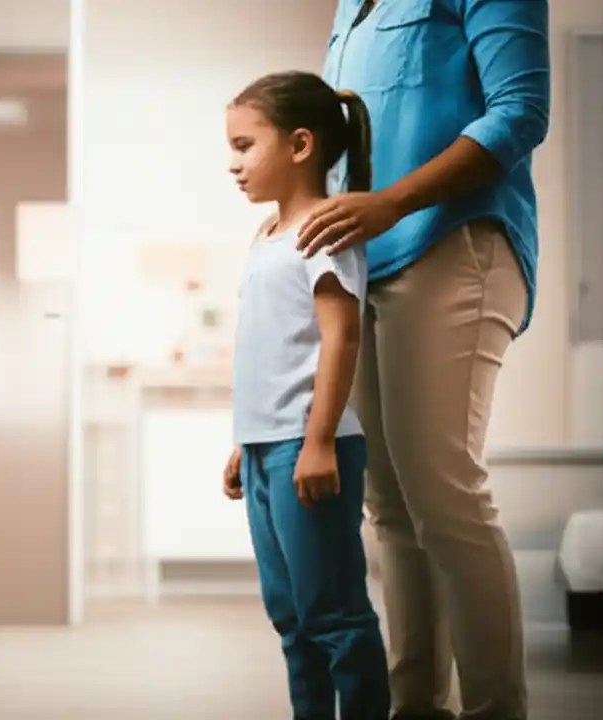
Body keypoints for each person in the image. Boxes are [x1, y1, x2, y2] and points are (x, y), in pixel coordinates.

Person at [299, 3, 550, 718]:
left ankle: (496, 708)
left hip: (454, 242)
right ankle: (415, 706)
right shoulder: (352, 6)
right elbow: (346, 138)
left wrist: (393, 202)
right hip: (364, 263)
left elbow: (520, 111)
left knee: (445, 499)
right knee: (391, 509)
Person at [222, 70, 390, 720]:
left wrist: (318, 441)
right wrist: (245, 439)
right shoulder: (267, 237)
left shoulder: (326, 228)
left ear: (299, 145)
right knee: (291, 617)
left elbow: (340, 338)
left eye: (244, 145)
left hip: (310, 448)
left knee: (336, 617)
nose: (232, 164)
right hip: (267, 448)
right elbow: (270, 347)